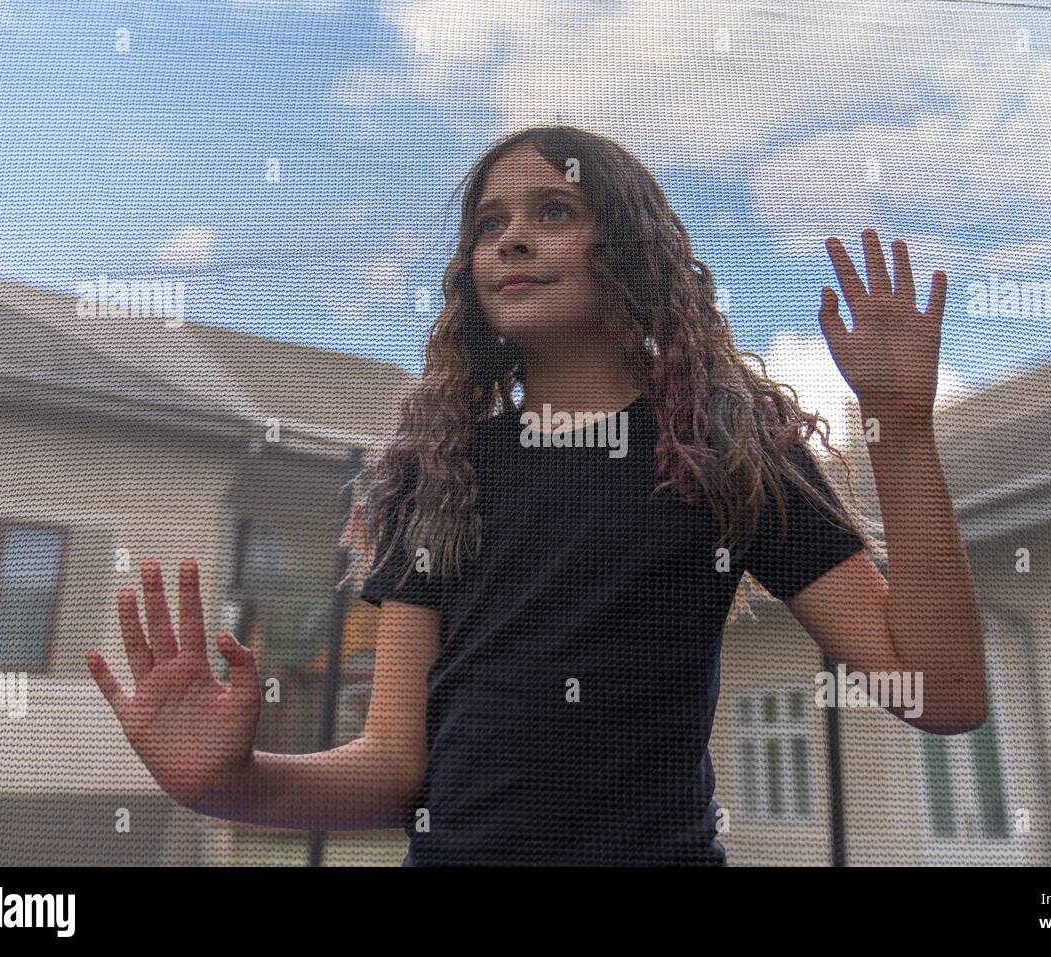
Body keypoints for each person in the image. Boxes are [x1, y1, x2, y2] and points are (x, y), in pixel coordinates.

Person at [87, 125, 988, 867]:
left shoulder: (731, 451)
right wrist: (227, 780)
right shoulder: (431, 474)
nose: (510, 238)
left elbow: (943, 692)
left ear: (628, 250)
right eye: (489, 223)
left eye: (553, 210)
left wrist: (902, 427)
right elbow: (395, 768)